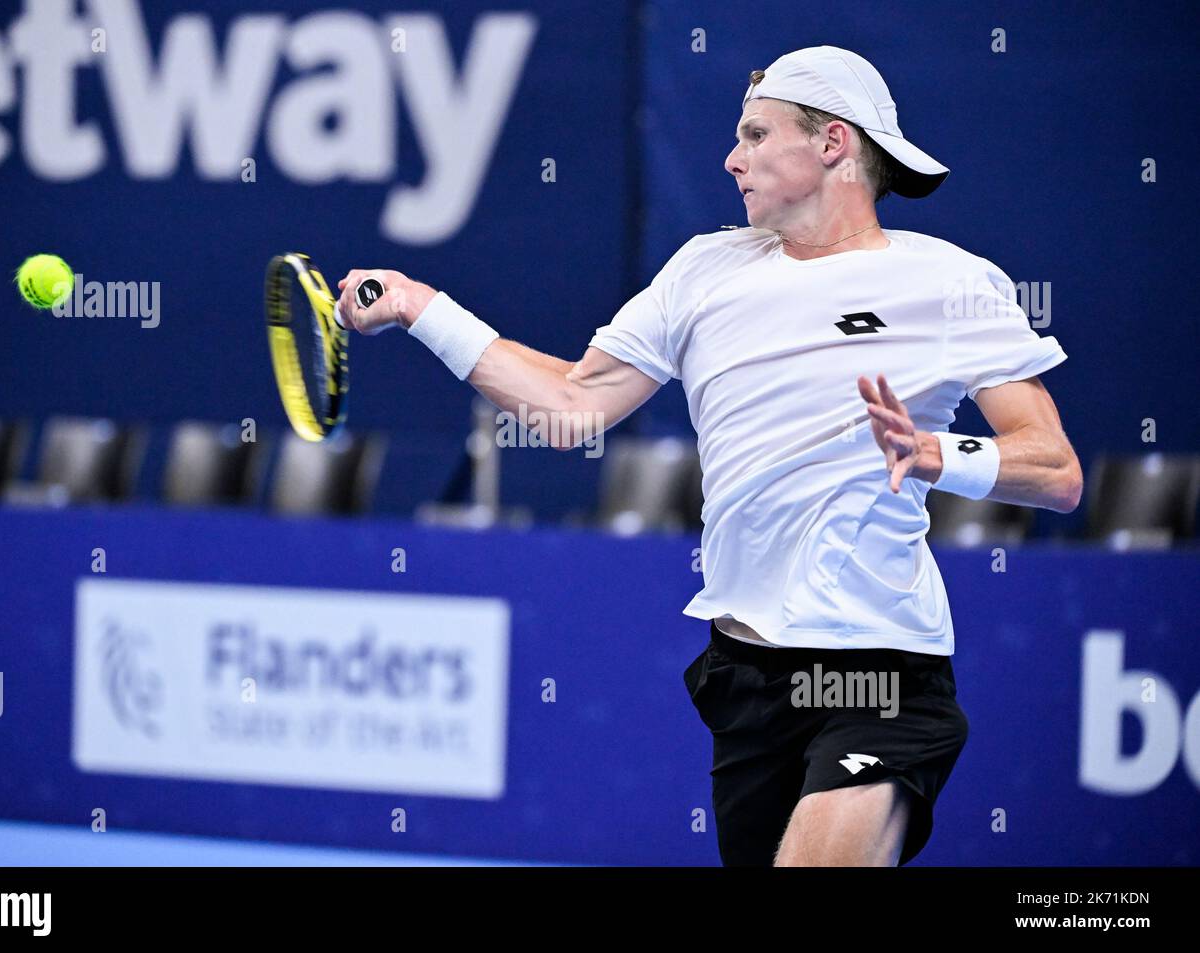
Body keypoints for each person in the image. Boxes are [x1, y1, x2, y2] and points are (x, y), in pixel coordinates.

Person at [334, 45, 1081, 866]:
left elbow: (1053, 468)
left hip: (881, 674)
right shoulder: (704, 270)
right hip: (747, 675)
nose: (732, 158)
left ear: (833, 143)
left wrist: (938, 452)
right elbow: (573, 408)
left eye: (757, 135)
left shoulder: (952, 284)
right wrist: (421, 307)